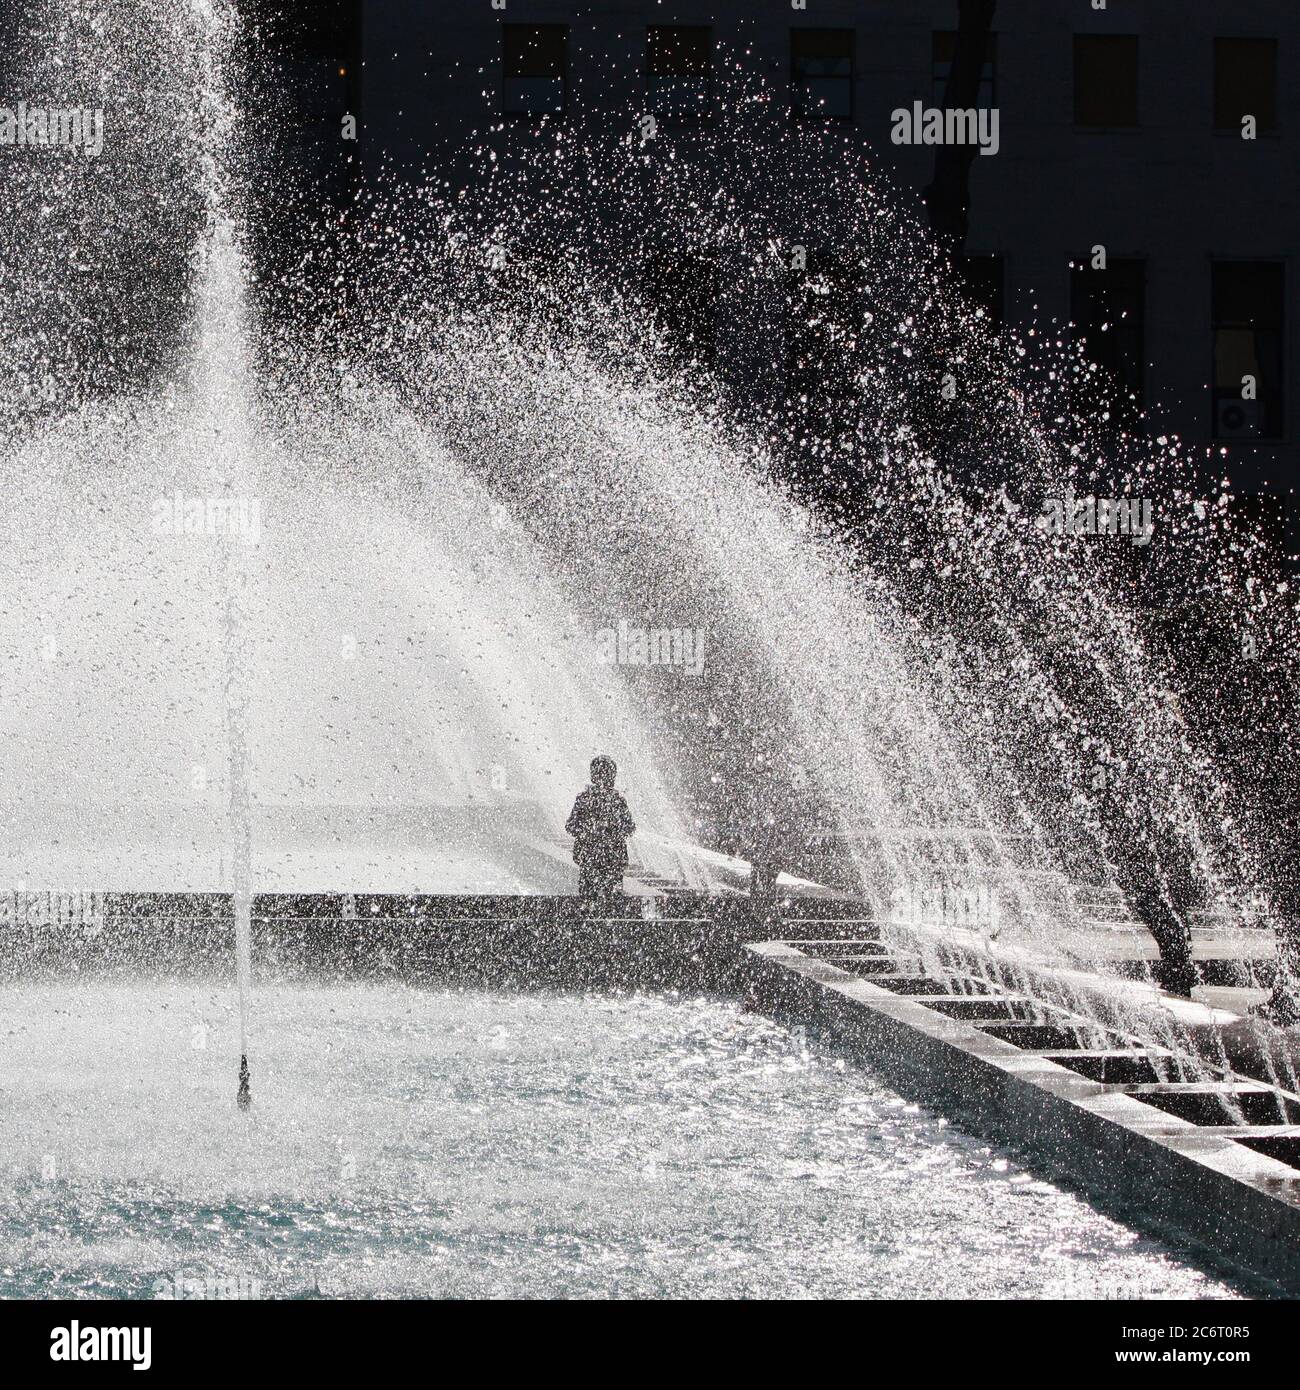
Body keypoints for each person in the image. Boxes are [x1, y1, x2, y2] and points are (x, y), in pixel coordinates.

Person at [565, 755, 636, 900]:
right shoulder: (618, 801)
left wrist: (587, 832)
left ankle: (590, 909)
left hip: (589, 856)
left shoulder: (584, 799)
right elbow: (629, 828)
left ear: (593, 776)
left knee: (588, 896)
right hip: (612, 857)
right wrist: (612, 832)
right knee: (613, 898)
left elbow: (571, 825)